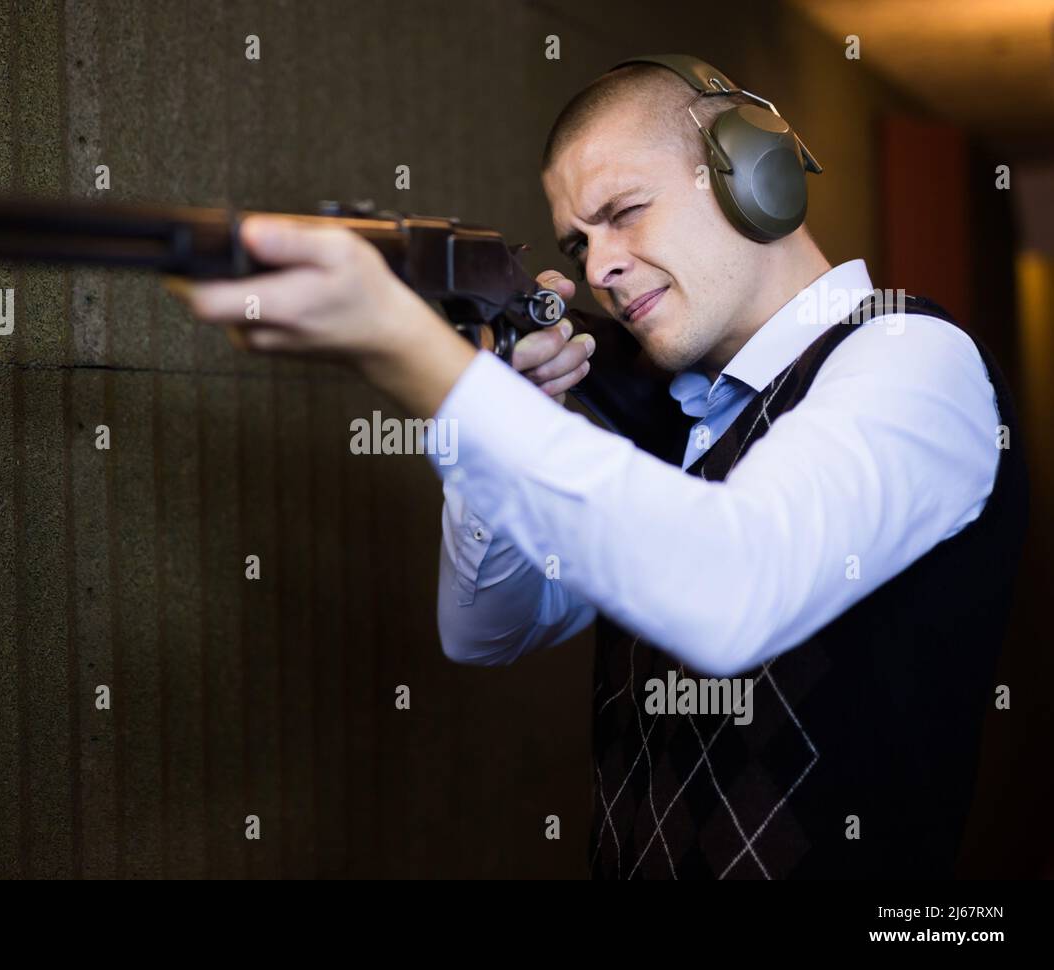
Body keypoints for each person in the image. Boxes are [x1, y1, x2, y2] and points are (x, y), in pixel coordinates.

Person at [166, 55, 1029, 879]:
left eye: (625, 210)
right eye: (578, 245)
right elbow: (486, 632)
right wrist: (512, 414)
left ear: (756, 176)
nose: (602, 268)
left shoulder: (913, 358)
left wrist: (425, 362)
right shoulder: (674, 414)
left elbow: (733, 589)